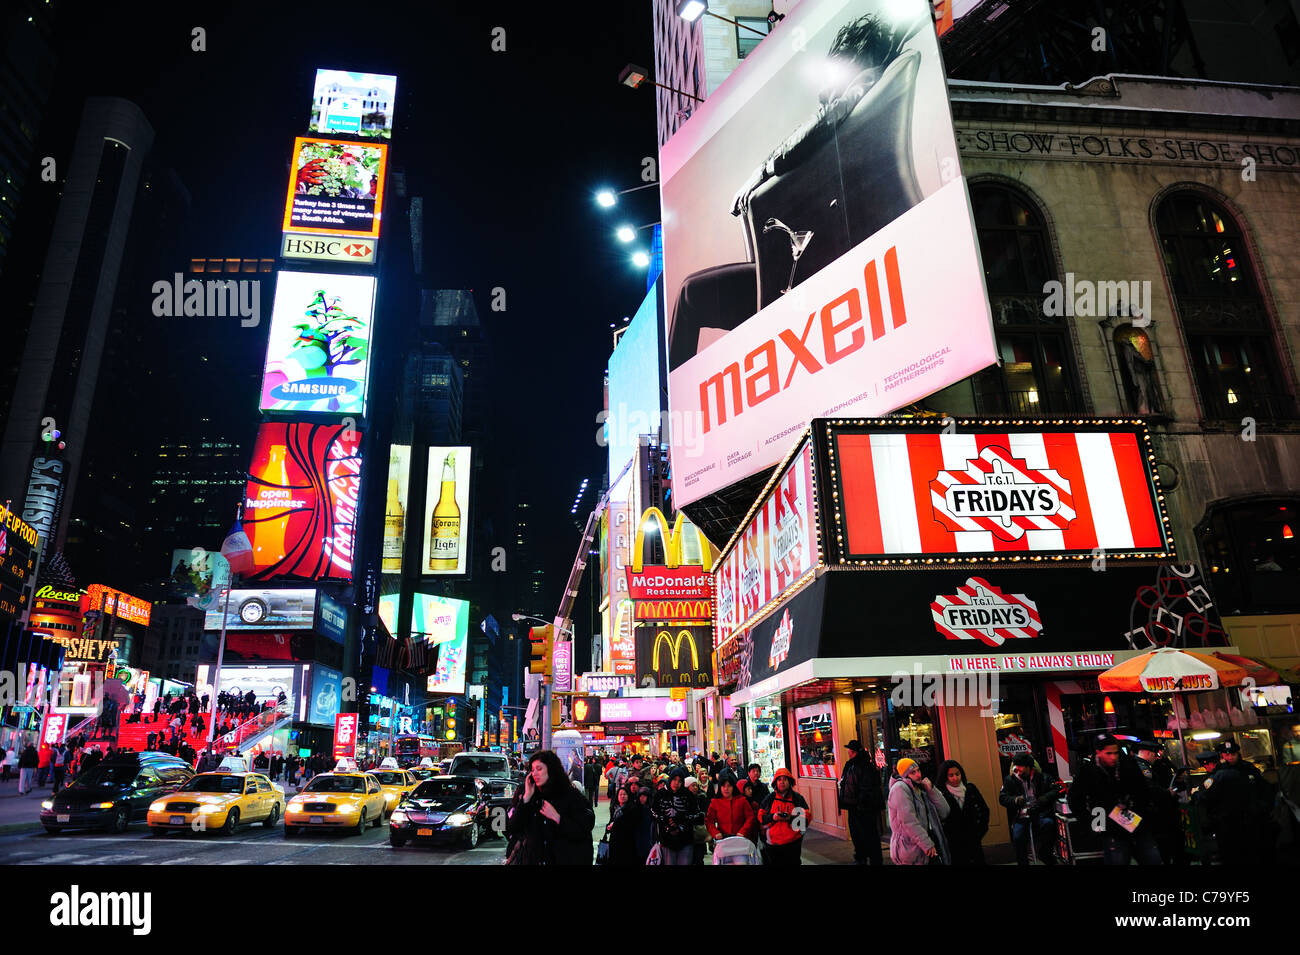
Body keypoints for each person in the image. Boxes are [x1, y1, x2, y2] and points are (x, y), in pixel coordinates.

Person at [1067, 734, 1160, 865]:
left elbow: (1143, 791)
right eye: (1108, 753)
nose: (1113, 757)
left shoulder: (1128, 765)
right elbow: (1075, 800)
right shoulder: (1088, 771)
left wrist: (1142, 811)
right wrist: (1093, 823)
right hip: (1111, 830)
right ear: (1098, 752)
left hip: (1137, 824)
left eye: (1115, 753)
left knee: (1152, 859)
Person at [505, 750, 596, 865]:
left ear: (551, 769)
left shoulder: (570, 795)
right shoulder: (531, 795)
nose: (535, 773)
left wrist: (557, 818)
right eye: (532, 770)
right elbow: (513, 827)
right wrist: (526, 798)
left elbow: (583, 829)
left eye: (539, 769)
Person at [1203, 739, 1275, 865]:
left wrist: (1262, 808)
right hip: (1227, 823)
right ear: (1222, 755)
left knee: (1252, 854)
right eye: (1226, 754)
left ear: (1238, 754)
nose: (1230, 757)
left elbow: (1264, 789)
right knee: (1231, 855)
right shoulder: (1217, 773)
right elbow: (1210, 797)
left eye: (1233, 754)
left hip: (1250, 820)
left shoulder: (1248, 768)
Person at [1000, 753, 1060, 866]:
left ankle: (1045, 853)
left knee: (1049, 824)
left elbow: (1056, 790)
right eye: (1015, 765)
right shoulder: (1009, 780)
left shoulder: (1043, 777)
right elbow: (1002, 798)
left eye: (1020, 766)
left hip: (1040, 813)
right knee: (1017, 837)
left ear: (1029, 767)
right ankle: (1023, 862)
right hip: (1021, 815)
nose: (1016, 768)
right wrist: (1015, 800)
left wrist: (1045, 798)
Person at [888, 758, 950, 865]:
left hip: (926, 844)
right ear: (905, 775)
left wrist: (931, 790)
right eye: (913, 772)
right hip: (910, 849)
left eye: (918, 770)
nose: (918, 775)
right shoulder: (900, 788)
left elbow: (945, 811)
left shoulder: (921, 788)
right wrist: (927, 844)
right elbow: (909, 821)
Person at [1133, 740, 1183, 865]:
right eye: (1155, 755)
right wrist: (1167, 793)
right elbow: (1151, 789)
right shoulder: (1143, 767)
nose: (1156, 758)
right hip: (1150, 815)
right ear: (1149, 753)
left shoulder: (1141, 765)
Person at [838, 740, 885, 865]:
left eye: (851, 750)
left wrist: (860, 803)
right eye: (848, 750)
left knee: (869, 834)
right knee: (858, 835)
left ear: (855, 752)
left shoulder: (864, 766)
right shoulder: (854, 765)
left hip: (863, 807)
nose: (848, 752)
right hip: (854, 806)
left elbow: (867, 787)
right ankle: (861, 857)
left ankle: (873, 860)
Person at [936, 759, 990, 865]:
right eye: (951, 775)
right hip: (954, 843)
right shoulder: (940, 793)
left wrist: (979, 831)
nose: (955, 778)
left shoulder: (970, 788)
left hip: (973, 839)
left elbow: (984, 810)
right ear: (945, 777)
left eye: (957, 774)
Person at [759, 767, 810, 865]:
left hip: (793, 843)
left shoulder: (797, 798)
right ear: (776, 783)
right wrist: (773, 817)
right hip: (773, 844)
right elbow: (761, 817)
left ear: (789, 781)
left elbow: (806, 819)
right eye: (779, 779)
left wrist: (790, 818)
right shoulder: (770, 799)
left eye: (785, 779)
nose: (782, 782)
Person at [651, 767, 702, 865]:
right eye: (674, 779)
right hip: (666, 839)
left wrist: (682, 819)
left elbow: (697, 814)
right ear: (670, 779)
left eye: (679, 781)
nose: (676, 783)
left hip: (685, 839)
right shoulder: (661, 794)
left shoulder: (688, 795)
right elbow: (653, 812)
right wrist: (665, 821)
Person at [706, 770, 757, 843]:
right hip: (723, 839)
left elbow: (750, 817)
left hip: (741, 838)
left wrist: (743, 831)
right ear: (720, 787)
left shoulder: (742, 800)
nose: (726, 789)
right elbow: (709, 821)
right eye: (723, 786)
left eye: (729, 786)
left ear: (733, 787)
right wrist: (715, 833)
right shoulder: (715, 802)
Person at [603, 785, 642, 866]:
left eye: (624, 794)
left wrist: (615, 824)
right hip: (615, 840)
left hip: (626, 841)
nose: (622, 796)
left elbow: (630, 824)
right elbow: (611, 821)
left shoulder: (632, 808)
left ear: (628, 796)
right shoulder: (615, 808)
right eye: (620, 794)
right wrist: (608, 827)